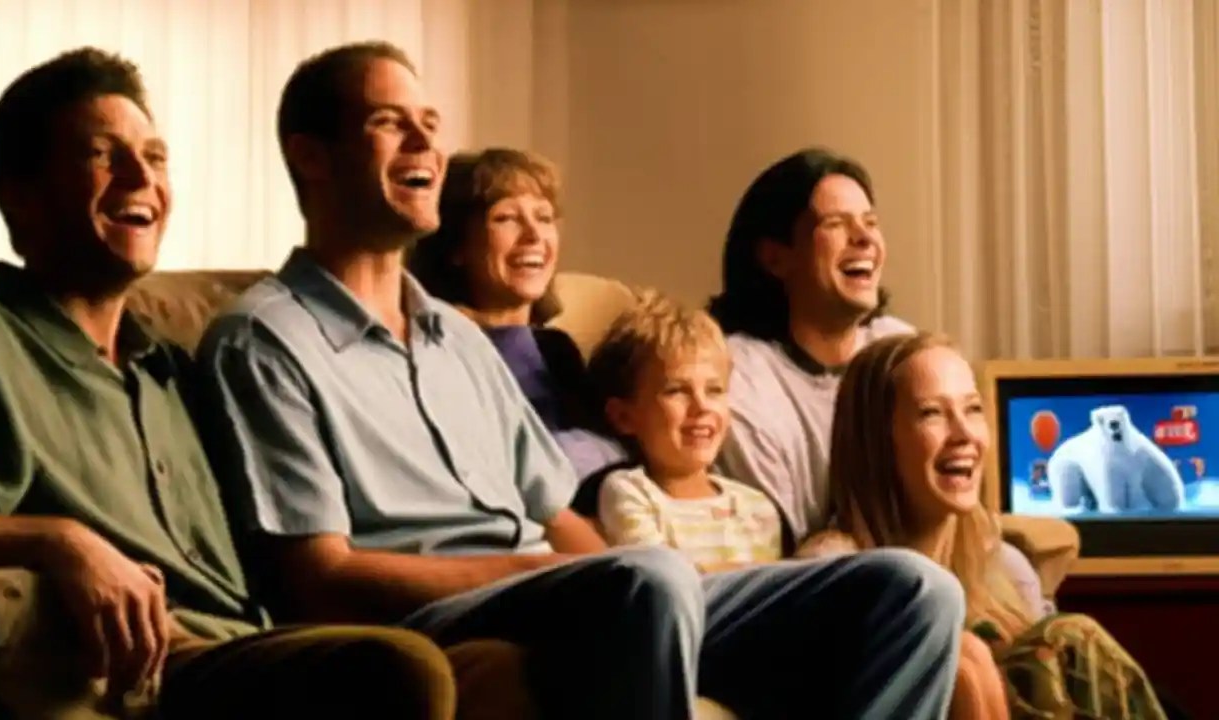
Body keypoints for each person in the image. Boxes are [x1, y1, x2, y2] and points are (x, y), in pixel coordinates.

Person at [192, 40, 968, 720]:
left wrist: (614, 575)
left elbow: (556, 512)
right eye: (389, 123)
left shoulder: (457, 338)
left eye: (430, 124)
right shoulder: (264, 341)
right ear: (311, 155)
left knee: (909, 591)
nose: (424, 141)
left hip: (585, 596)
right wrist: (583, 574)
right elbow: (319, 578)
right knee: (646, 580)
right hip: (437, 617)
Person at [0, 47, 522, 720]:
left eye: (155, 159)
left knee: (507, 669)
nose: (141, 178)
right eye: (103, 155)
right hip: (142, 663)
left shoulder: (173, 371)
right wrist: (57, 540)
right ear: (22, 194)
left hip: (252, 639)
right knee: (394, 671)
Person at [816, 331, 1168, 720]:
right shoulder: (834, 571)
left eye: (972, 409)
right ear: (876, 439)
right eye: (931, 412)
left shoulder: (1004, 565)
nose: (965, 435)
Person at [708, 148, 914, 547]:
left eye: (871, 222)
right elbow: (786, 549)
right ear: (775, 258)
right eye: (836, 224)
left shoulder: (902, 349)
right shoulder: (736, 376)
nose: (865, 238)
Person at [407, 148, 626, 483]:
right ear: (456, 246)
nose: (534, 236)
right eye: (506, 218)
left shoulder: (556, 348)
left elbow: (617, 454)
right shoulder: (437, 349)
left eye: (544, 217)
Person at [588, 292, 786, 568]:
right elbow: (668, 580)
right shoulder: (631, 492)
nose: (702, 406)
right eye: (676, 391)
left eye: (715, 390)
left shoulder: (757, 508)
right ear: (624, 417)